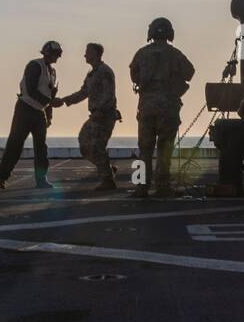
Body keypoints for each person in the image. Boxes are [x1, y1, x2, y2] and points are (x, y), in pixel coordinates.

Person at [128, 17, 194, 197]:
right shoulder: (175, 54)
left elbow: (134, 75)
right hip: (168, 106)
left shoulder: (141, 53)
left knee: (145, 149)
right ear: (169, 33)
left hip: (147, 105)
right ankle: (162, 186)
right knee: (165, 148)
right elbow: (190, 72)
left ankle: (141, 187)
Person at [0, 40, 64, 190]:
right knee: (15, 144)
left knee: (41, 148)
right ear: (47, 52)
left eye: (58, 55)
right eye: (55, 54)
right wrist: (50, 103)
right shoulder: (34, 65)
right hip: (25, 109)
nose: (57, 57)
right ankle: (2, 177)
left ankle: (41, 179)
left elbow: (50, 94)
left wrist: (49, 114)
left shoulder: (52, 72)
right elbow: (31, 90)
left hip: (40, 112)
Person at [60, 43, 121, 191]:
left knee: (97, 146)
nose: (85, 55)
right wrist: (63, 100)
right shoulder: (92, 74)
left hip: (105, 115)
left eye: (87, 52)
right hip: (95, 116)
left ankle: (108, 180)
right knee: (84, 144)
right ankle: (107, 169)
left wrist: (101, 110)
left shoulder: (105, 71)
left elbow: (109, 94)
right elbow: (83, 93)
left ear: (96, 54)